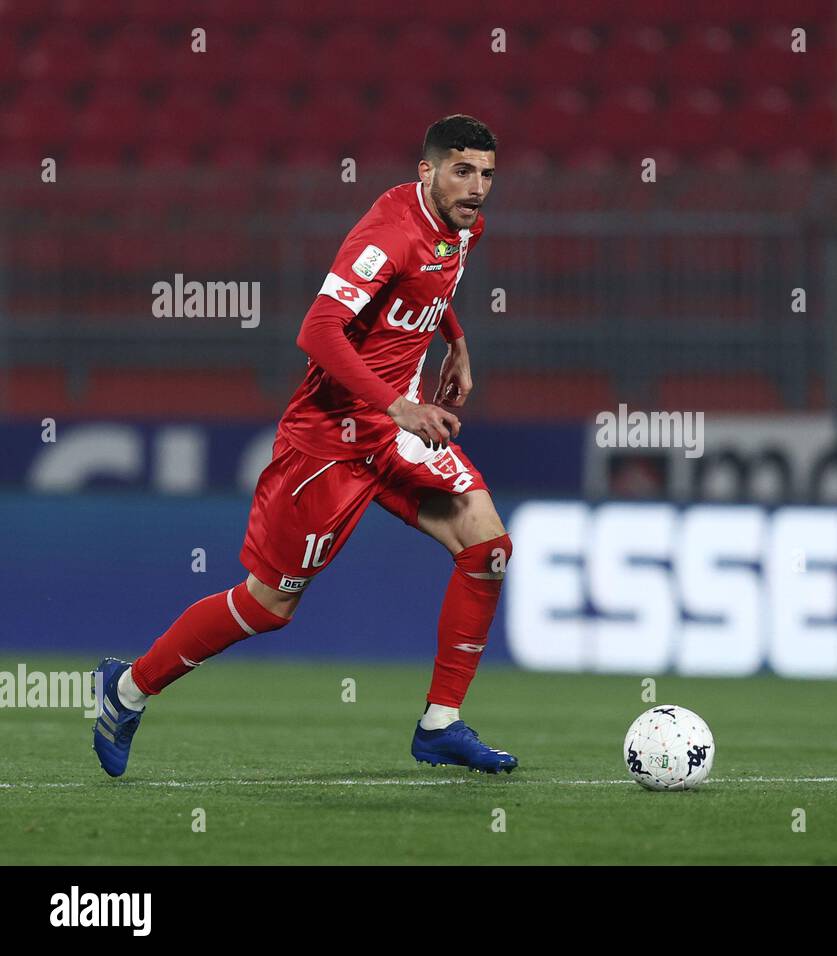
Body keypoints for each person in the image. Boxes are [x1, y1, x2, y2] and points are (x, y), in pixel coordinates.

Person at [92, 115, 519, 777]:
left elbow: (430, 286)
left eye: (488, 174)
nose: (478, 187)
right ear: (426, 172)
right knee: (269, 604)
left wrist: (457, 341)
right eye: (463, 171)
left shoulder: (463, 225)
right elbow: (319, 330)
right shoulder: (389, 233)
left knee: (488, 548)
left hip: (394, 435)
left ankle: (441, 724)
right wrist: (398, 404)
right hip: (330, 440)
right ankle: (125, 691)